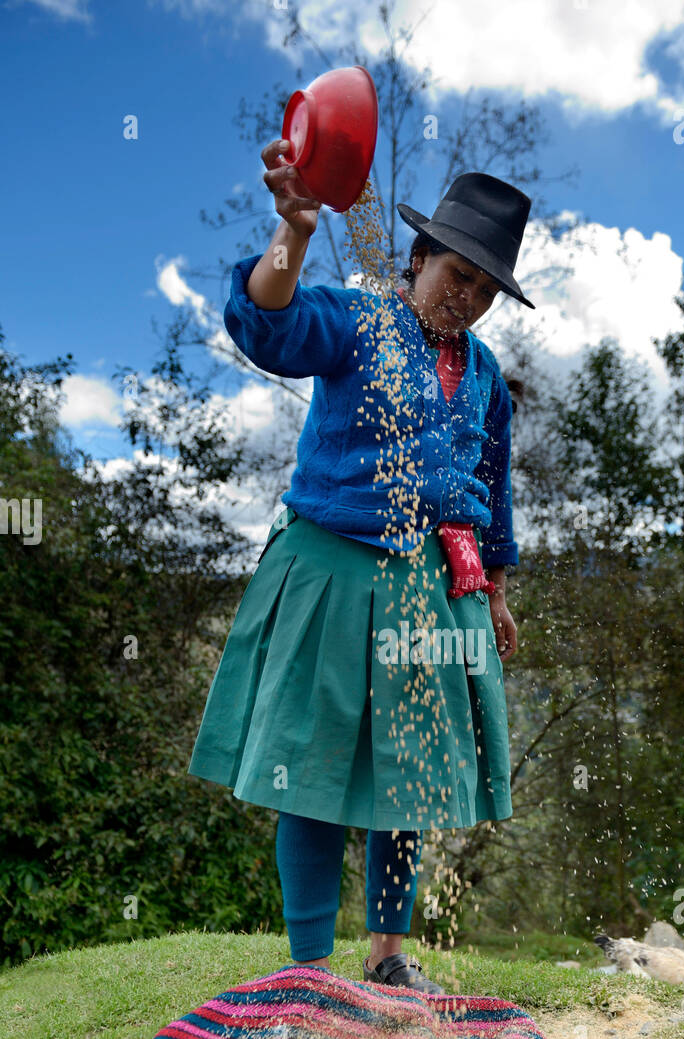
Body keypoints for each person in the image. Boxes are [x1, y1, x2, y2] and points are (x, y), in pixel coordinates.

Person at [187, 143, 534, 993]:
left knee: (406, 780)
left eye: (485, 289)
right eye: (457, 275)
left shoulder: (485, 377)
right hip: (331, 576)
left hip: (434, 591)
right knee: (307, 773)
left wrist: (492, 593)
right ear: (418, 259)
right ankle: (307, 969)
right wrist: (293, 232)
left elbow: (490, 494)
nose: (467, 297)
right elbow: (270, 324)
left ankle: (386, 958)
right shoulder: (356, 319)